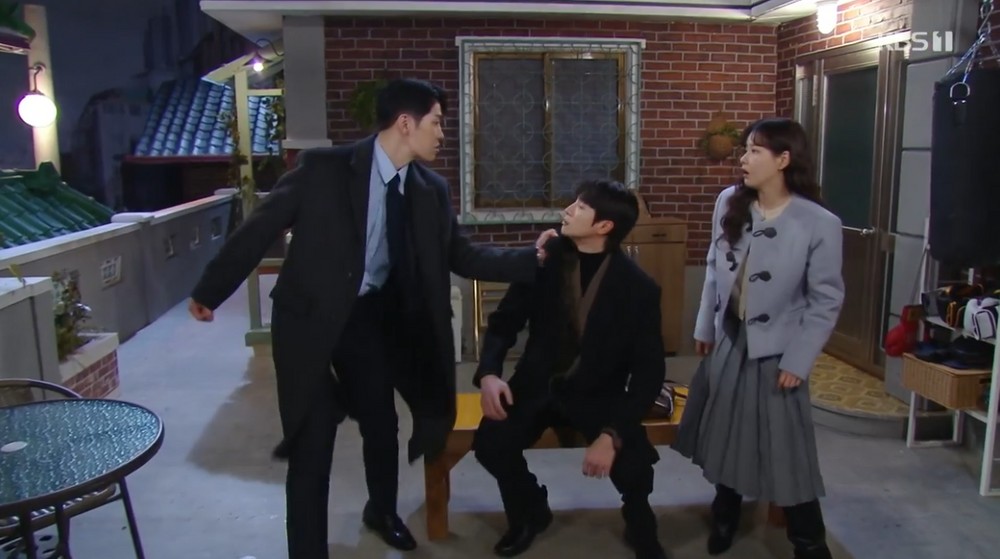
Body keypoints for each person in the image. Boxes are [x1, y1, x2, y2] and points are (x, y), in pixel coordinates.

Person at [188, 78, 556, 558]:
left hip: (368, 317)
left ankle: (381, 510)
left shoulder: (429, 190)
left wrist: (531, 259)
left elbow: (462, 255)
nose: (442, 134)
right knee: (312, 439)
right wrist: (211, 290)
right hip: (308, 318)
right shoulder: (324, 169)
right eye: (436, 122)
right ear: (405, 123)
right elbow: (261, 226)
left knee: (381, 421)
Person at [673, 117, 844, 559]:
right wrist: (705, 326)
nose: (743, 159)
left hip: (780, 351)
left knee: (788, 451)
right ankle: (725, 515)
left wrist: (798, 360)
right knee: (726, 431)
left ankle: (808, 542)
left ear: (783, 160)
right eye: (744, 149)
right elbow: (714, 268)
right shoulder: (729, 201)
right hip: (731, 337)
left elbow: (825, 301)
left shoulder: (818, 222)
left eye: (755, 151)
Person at [470, 179, 668, 559]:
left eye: (579, 207)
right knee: (491, 444)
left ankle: (639, 522)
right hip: (536, 384)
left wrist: (611, 434)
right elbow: (503, 324)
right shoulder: (543, 261)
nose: (567, 210)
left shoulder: (638, 287)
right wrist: (490, 374)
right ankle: (530, 511)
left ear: (604, 226)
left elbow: (649, 372)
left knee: (635, 465)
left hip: (598, 392)